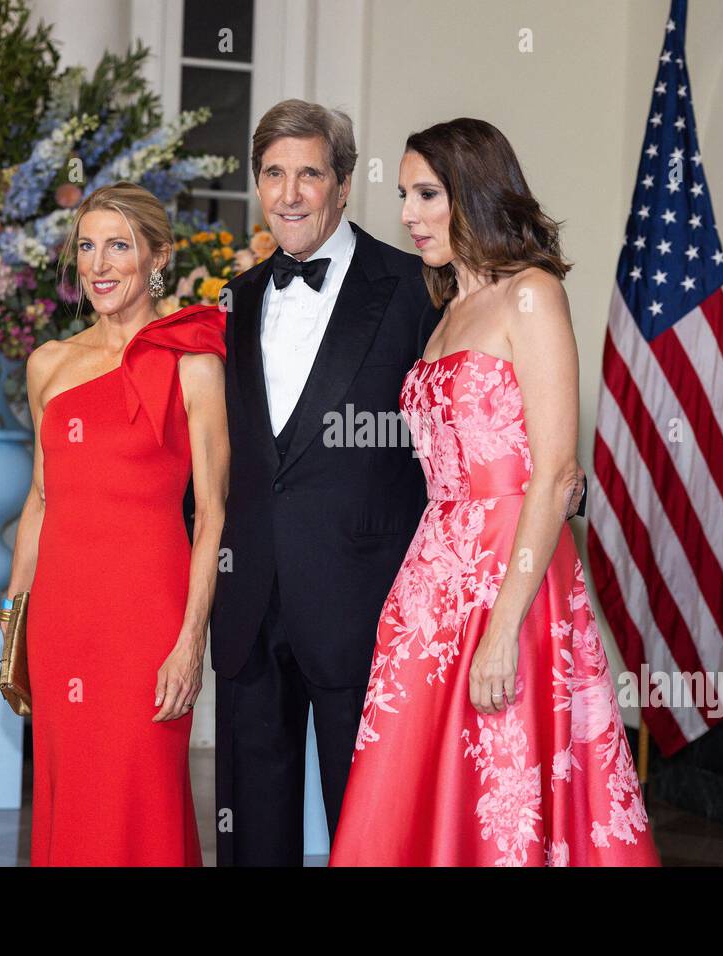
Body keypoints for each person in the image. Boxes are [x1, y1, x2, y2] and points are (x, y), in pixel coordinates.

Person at [329, 119, 660, 866]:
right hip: (431, 582)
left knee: (502, 774)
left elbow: (555, 475)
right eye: (405, 196)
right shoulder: (445, 312)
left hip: (514, 576)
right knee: (403, 774)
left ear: (474, 193)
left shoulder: (532, 296)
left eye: (427, 194)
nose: (408, 214)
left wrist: (505, 625)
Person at [211, 99, 439, 865]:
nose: (290, 193)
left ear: (343, 185)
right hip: (248, 603)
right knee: (253, 832)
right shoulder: (235, 300)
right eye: (273, 174)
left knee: (370, 828)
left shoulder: (414, 288)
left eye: (309, 172)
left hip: (365, 602)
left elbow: (450, 439)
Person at [2, 181, 228, 866]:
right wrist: (14, 619)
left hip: (147, 620)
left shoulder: (193, 362)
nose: (99, 265)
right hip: (63, 621)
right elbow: (39, 500)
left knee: (142, 791)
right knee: (71, 793)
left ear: (157, 258)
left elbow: (215, 511)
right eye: (88, 247)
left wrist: (191, 641)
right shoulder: (49, 364)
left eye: (119, 246)